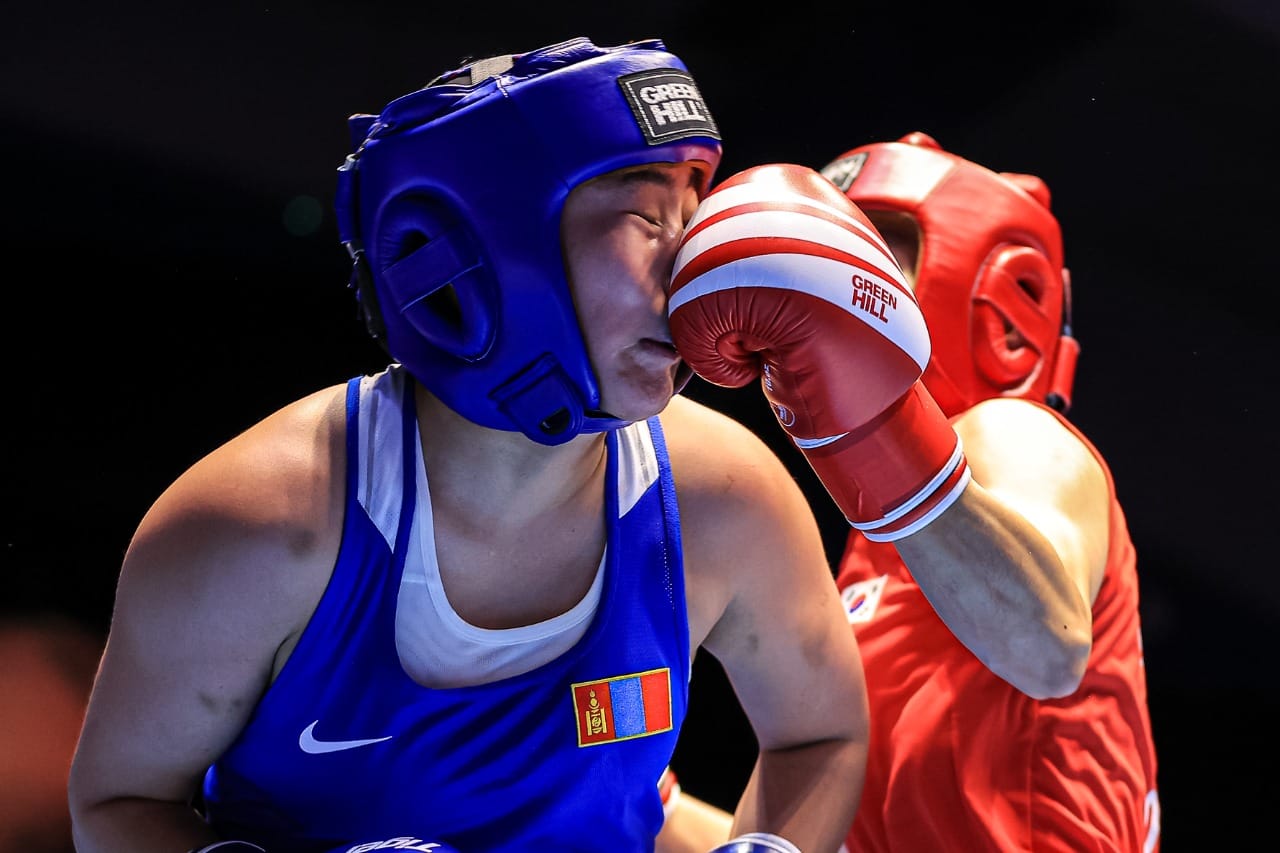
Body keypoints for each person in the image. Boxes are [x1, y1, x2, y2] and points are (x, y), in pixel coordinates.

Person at [65, 36, 870, 853]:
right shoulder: (255, 526)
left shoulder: (725, 498)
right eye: (644, 217)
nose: (693, 268)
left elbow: (820, 735)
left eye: (694, 218)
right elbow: (120, 803)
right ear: (485, 244)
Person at [664, 134, 1160, 851]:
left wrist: (867, 421)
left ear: (997, 306)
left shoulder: (1020, 434)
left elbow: (1049, 646)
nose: (834, 270)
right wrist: (648, 807)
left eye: (879, 250)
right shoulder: (879, 551)